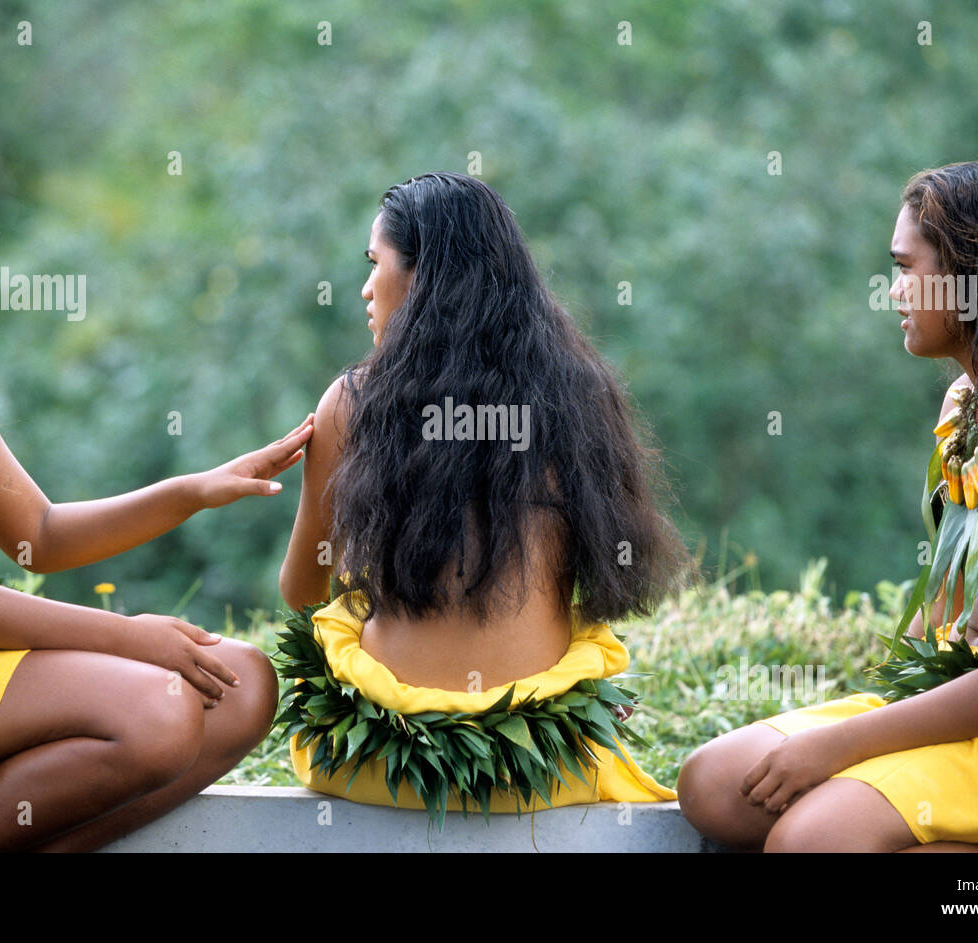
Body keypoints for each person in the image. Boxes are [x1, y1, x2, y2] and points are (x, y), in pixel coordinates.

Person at [0, 108, 313, 852]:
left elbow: (37, 534)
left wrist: (195, 488)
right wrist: (130, 637)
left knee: (244, 684)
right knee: (157, 712)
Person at [677, 160, 978, 852]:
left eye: (906, 268)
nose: (893, 292)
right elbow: (950, 609)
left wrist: (838, 749)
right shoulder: (967, 406)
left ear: (972, 279)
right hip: (976, 708)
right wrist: (858, 733)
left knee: (810, 841)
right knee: (712, 782)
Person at [278, 172, 691, 816]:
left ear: (420, 278)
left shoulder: (351, 404)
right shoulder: (577, 399)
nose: (364, 288)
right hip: (542, 766)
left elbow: (303, 589)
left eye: (374, 264)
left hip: (374, 762)